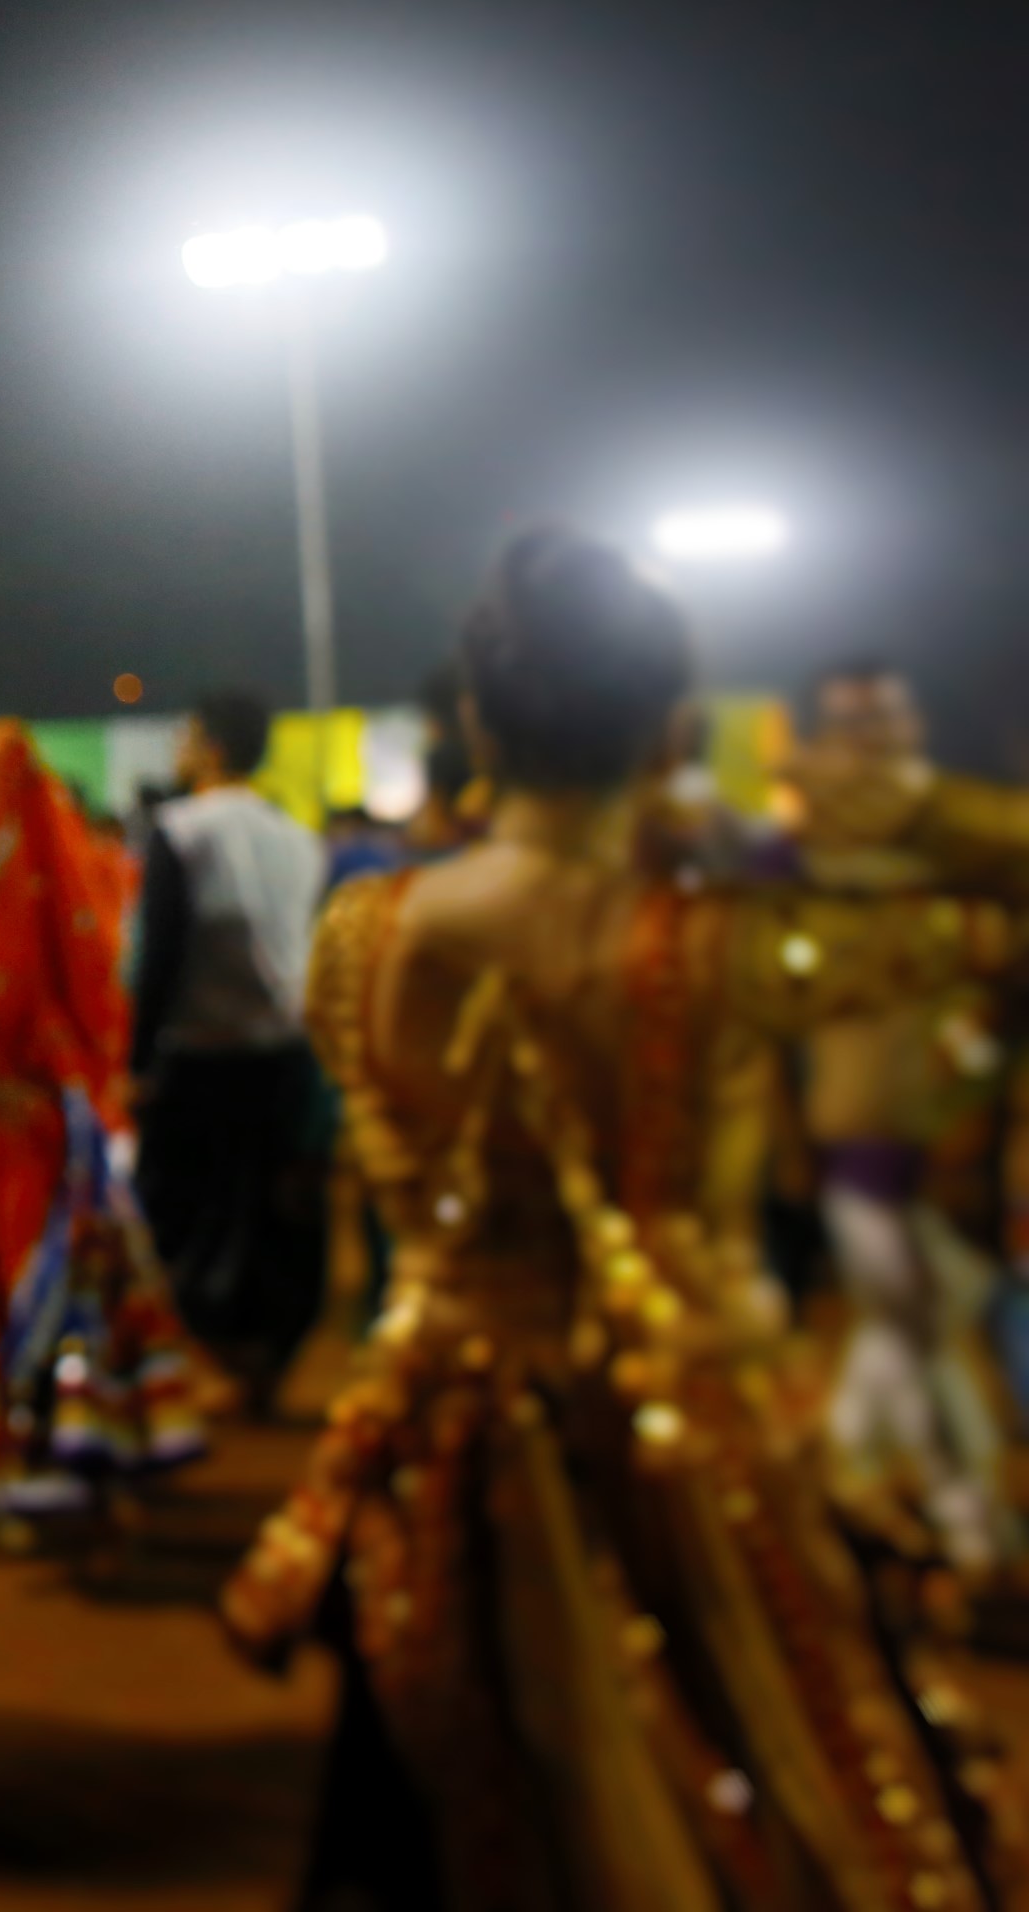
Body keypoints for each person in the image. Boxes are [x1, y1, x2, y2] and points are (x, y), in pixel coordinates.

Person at [224, 526, 1029, 1904]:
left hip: (439, 1439)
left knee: (425, 1830)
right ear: (669, 736)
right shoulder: (718, 945)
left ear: (482, 727)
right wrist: (877, 798)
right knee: (765, 1796)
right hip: (681, 1442)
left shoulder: (366, 936)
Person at [770, 657, 1021, 1576]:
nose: (871, 740)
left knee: (908, 1327)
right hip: (863, 1137)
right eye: (850, 723)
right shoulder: (790, 860)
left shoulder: (963, 837)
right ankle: (971, 1525)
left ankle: (842, 1478)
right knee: (916, 1330)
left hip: (970, 1141)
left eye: (886, 716)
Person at [0, 720, 204, 1520]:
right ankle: (65, 1443)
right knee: (58, 1287)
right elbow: (95, 1001)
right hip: (52, 1123)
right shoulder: (59, 877)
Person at [130, 686, 331, 1410]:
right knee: (277, 1216)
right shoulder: (299, 836)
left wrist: (137, 1062)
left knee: (190, 1216)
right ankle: (266, 1363)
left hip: (200, 1057)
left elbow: (160, 957)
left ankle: (213, 1358)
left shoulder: (181, 830)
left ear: (209, 747)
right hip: (286, 1054)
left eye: (184, 738)